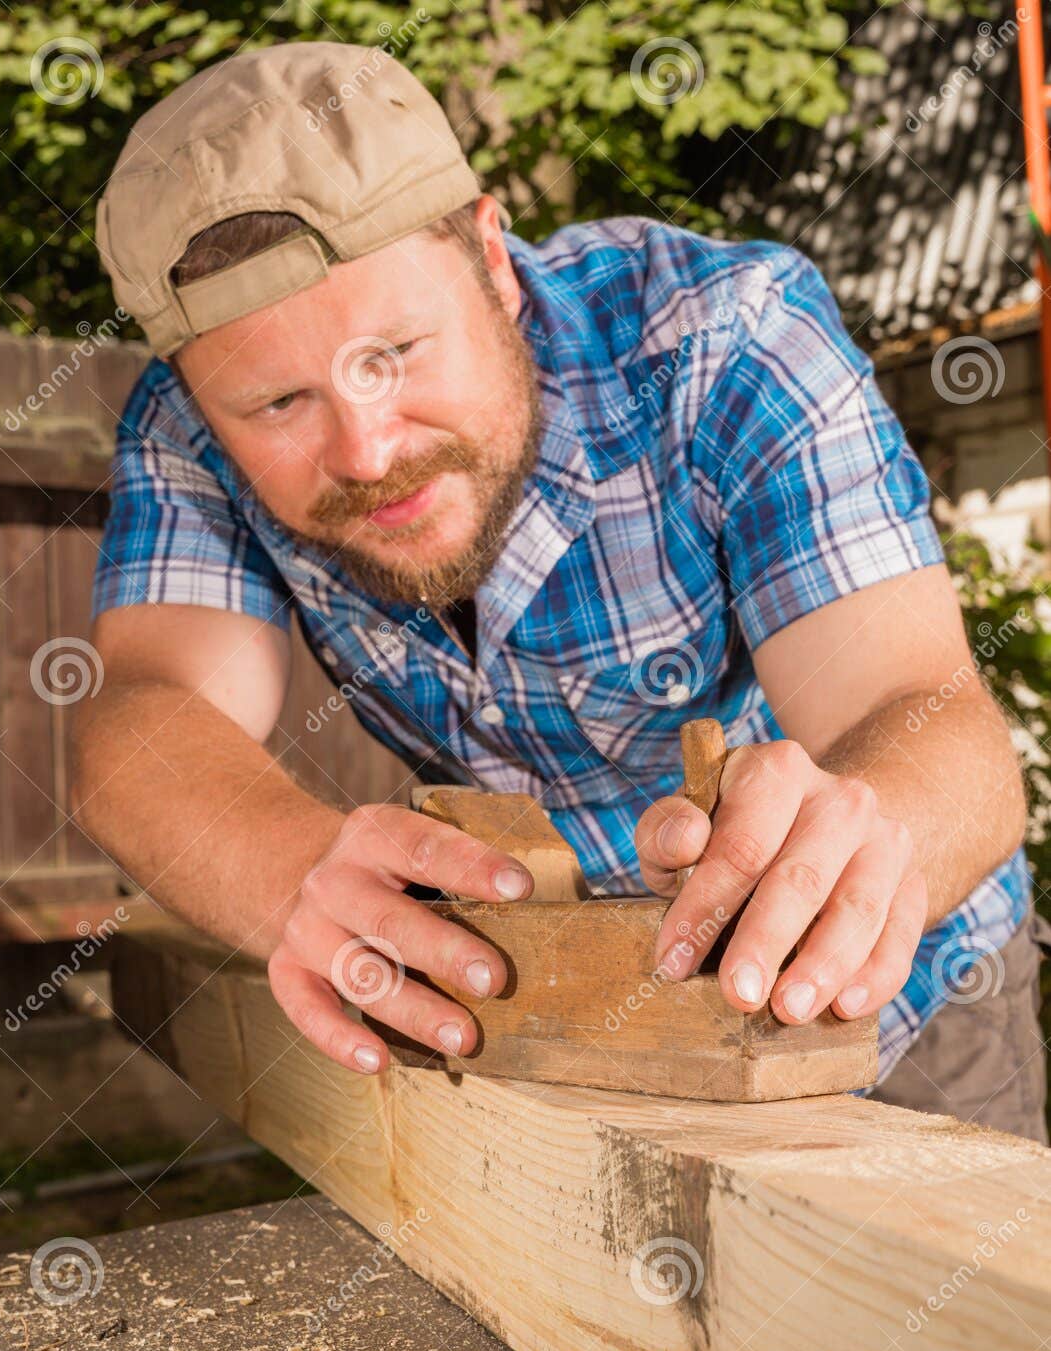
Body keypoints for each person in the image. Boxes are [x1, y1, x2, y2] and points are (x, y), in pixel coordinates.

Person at [74, 41, 1045, 1140]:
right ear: (201, 396)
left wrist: (868, 841)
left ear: (491, 256)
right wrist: (292, 873)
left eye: (394, 351)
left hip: (894, 1003)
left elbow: (928, 713)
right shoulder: (184, 430)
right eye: (278, 404)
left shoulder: (725, 336)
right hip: (547, 1040)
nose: (366, 450)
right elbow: (145, 721)